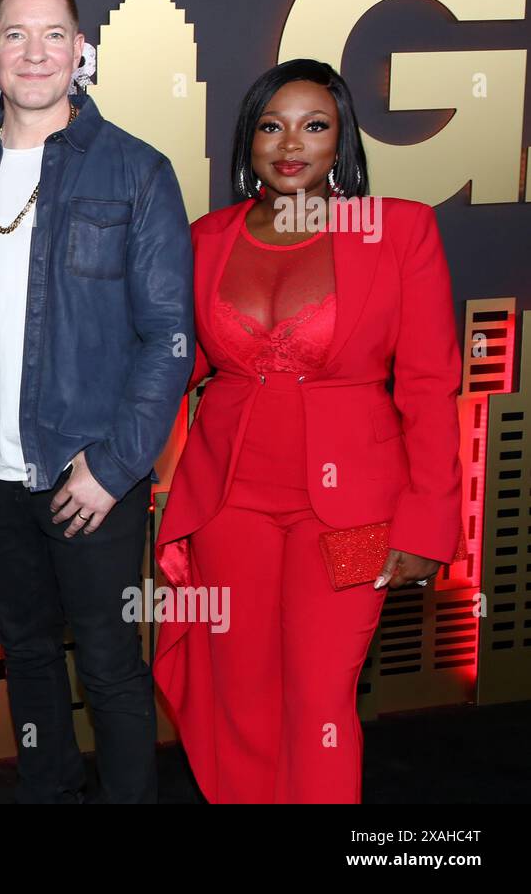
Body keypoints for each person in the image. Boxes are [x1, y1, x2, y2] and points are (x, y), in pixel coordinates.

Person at [154, 58, 463, 803]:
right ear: (248, 141)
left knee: (321, 701)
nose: (291, 143)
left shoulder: (398, 231)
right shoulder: (207, 239)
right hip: (229, 509)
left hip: (355, 515)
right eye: (271, 125)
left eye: (313, 125)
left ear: (341, 143)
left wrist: (426, 525)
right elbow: (165, 370)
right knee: (242, 698)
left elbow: (428, 386)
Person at [0, 0, 194, 804]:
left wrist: (115, 468)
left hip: (90, 473)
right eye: (16, 34)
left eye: (53, 34)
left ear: (82, 52)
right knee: (28, 655)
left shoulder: (136, 171)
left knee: (113, 668)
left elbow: (169, 338)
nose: (35, 52)